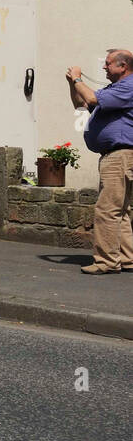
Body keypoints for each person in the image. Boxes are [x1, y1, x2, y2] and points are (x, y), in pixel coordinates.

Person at [68, 49, 133, 273]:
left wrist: (78, 78)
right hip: (116, 156)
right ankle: (126, 258)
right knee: (120, 211)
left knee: (107, 210)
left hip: (120, 155)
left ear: (123, 66)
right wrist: (72, 83)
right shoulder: (115, 90)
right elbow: (81, 103)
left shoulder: (128, 86)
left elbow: (92, 97)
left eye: (108, 64)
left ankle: (106, 262)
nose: (104, 67)